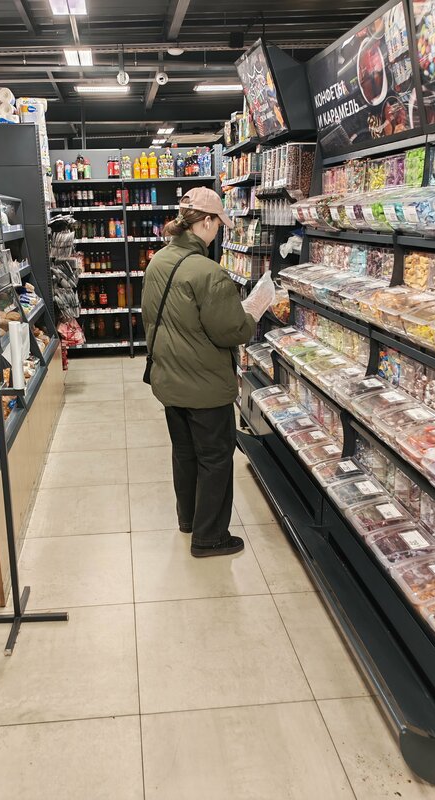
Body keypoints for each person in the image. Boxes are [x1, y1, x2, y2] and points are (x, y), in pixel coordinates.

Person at [141, 187, 275, 558]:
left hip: (169, 379)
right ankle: (210, 536)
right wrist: (254, 310)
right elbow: (232, 331)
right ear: (205, 222)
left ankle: (188, 519)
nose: (218, 232)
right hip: (205, 386)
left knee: (184, 453)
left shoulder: (158, 261)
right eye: (218, 224)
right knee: (215, 458)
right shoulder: (208, 272)